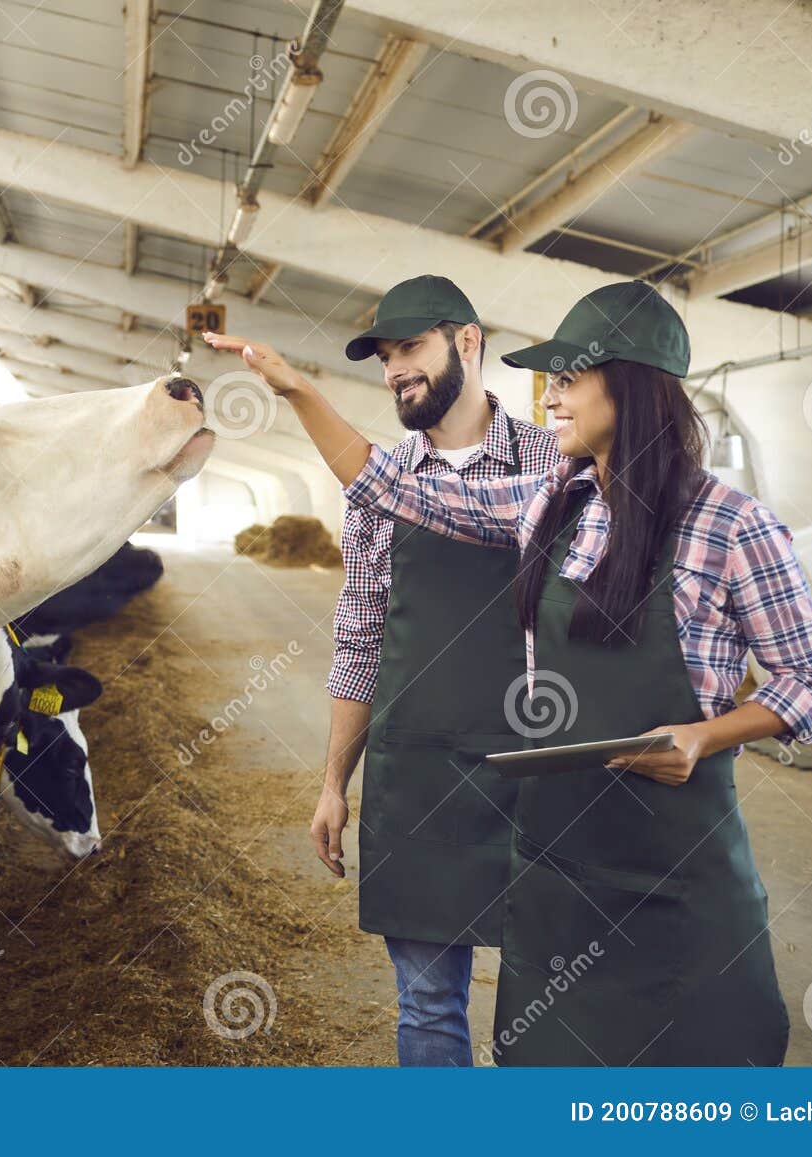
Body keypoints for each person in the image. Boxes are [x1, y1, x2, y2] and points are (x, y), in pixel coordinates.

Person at [205, 280, 812, 1066]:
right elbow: (389, 488)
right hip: (563, 848)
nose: (553, 398)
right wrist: (299, 391)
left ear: (633, 387)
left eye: (569, 380)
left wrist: (707, 735)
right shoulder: (551, 503)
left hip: (676, 864)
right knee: (546, 1055)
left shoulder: (733, 525)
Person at [265, 275, 561, 1066]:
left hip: (542, 770)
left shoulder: (554, 461)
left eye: (411, 348)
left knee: (547, 1009)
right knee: (429, 1008)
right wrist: (333, 782)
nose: (395, 369)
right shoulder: (376, 487)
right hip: (419, 775)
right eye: (386, 357)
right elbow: (360, 641)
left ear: (468, 342)